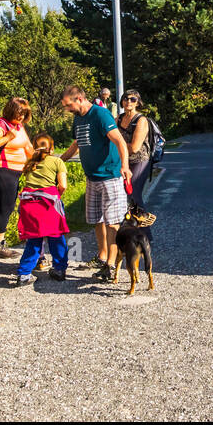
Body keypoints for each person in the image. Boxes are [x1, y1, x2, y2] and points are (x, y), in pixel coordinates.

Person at [60, 84, 132, 280]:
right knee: (97, 220)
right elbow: (77, 143)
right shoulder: (78, 118)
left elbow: (119, 141)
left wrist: (125, 166)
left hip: (110, 176)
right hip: (92, 177)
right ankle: (102, 257)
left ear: (80, 99)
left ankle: (110, 265)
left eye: (68, 105)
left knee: (112, 222)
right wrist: (58, 161)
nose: (67, 110)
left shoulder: (101, 115)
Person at [0, 97, 34, 258]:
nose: (21, 117)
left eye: (24, 114)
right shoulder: (0, 124)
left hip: (14, 172)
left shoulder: (18, 126)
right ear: (11, 111)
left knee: (8, 207)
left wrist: (42, 159)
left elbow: (28, 147)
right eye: (19, 113)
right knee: (5, 207)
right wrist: (7, 138)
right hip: (1, 170)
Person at [14, 133, 70, 286]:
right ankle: (59, 269)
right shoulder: (57, 161)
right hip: (49, 203)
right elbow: (63, 185)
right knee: (56, 236)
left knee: (33, 239)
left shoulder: (29, 163)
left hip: (29, 204)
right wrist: (56, 195)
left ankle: (24, 274)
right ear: (51, 148)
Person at [117, 88, 154, 203]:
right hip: (123, 160)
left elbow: (134, 148)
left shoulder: (141, 120)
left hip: (140, 160)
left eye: (133, 99)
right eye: (125, 99)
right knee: (121, 192)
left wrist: (117, 148)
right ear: (122, 102)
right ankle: (127, 219)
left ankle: (141, 217)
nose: (129, 101)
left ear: (137, 103)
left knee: (133, 191)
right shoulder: (118, 119)